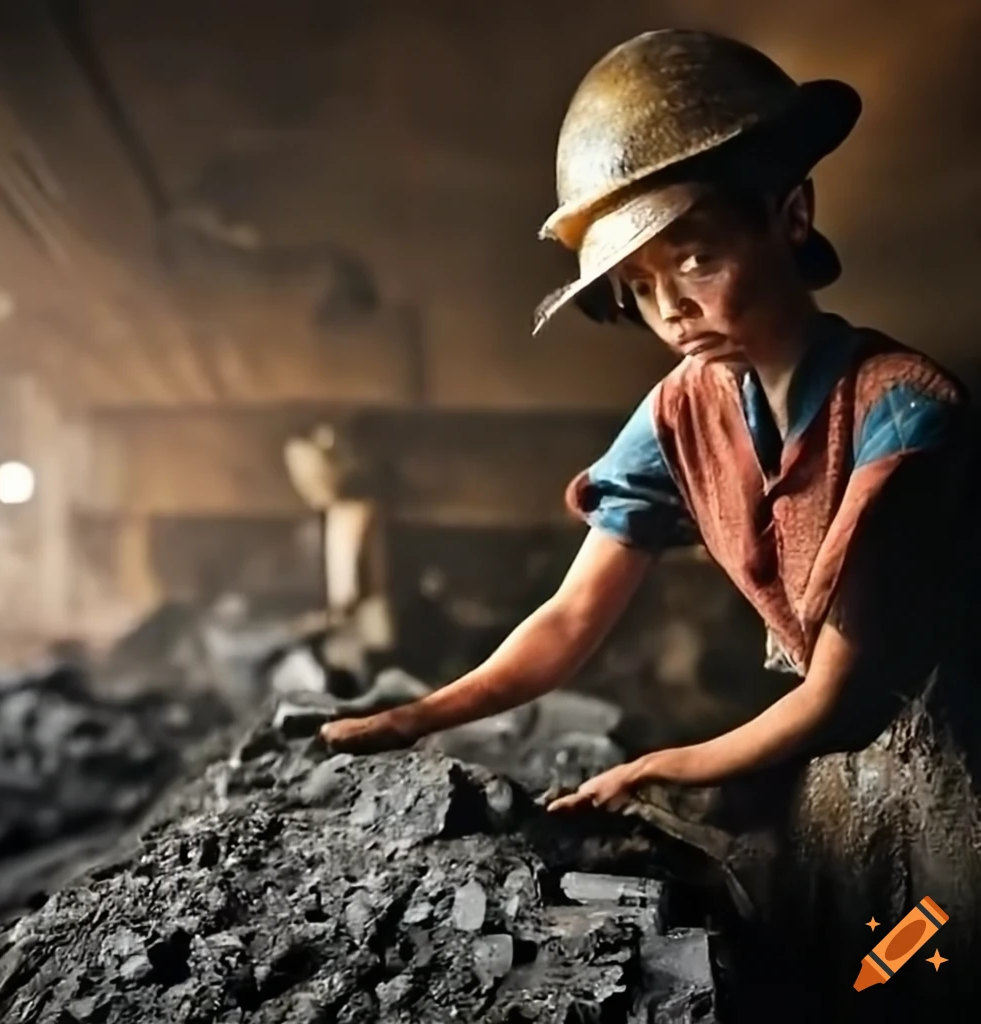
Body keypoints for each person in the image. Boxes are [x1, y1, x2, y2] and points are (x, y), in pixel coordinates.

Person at [321, 29, 981, 1017]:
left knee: (932, 965)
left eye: (698, 259)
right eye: (637, 289)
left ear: (788, 214)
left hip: (958, 761)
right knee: (834, 965)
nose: (669, 309)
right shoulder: (685, 405)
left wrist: (663, 765)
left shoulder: (898, 407)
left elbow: (843, 695)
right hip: (843, 767)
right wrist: (419, 714)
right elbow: (571, 614)